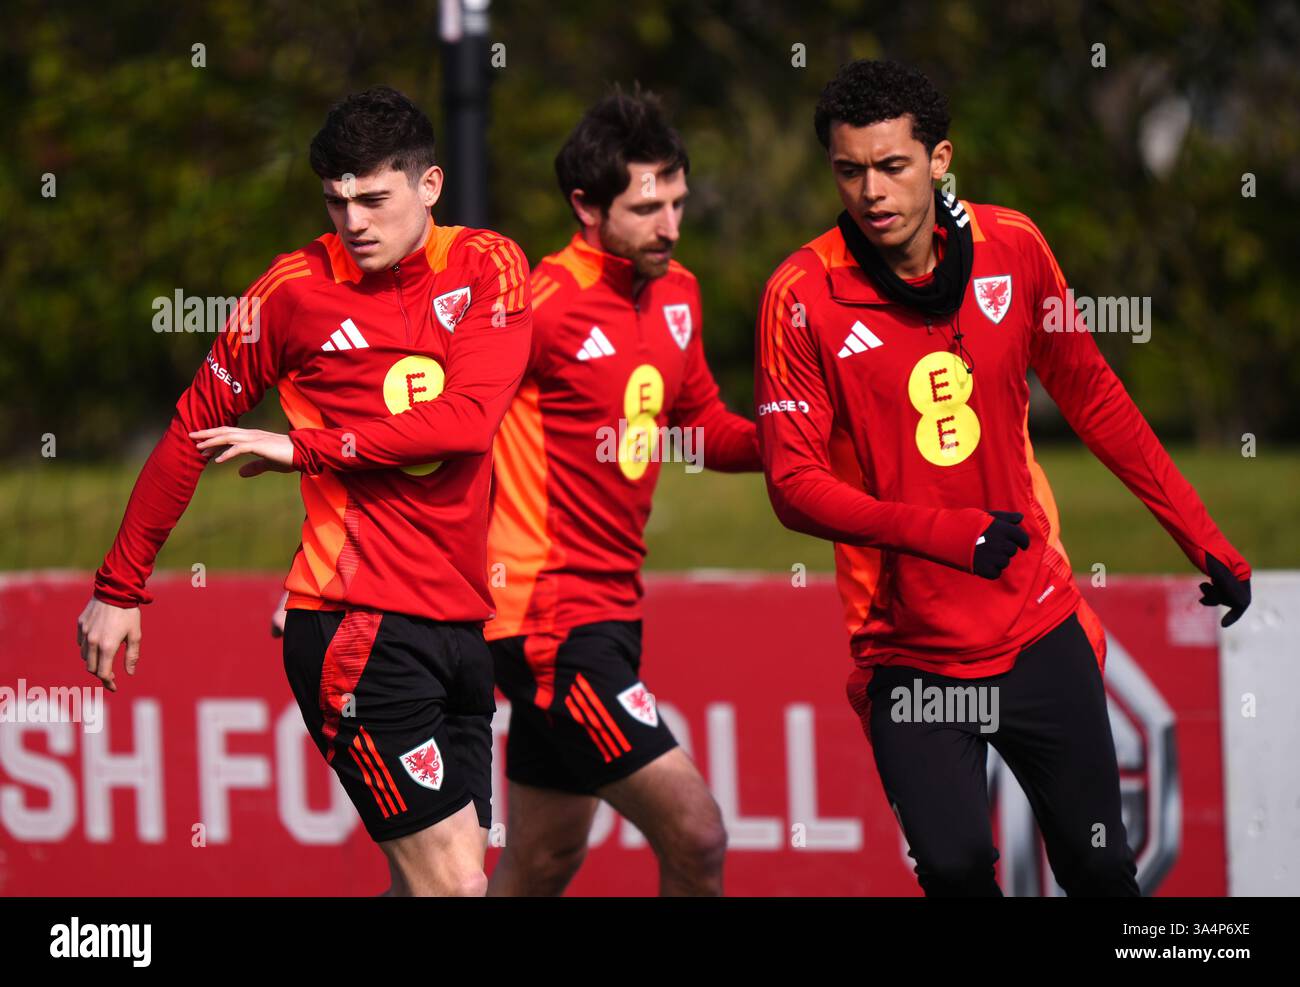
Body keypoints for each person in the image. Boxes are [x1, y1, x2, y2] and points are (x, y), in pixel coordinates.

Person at [754, 59, 1252, 896]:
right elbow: (791, 486)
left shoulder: (1013, 247)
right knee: (954, 869)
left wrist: (1202, 537)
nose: (871, 191)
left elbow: (1097, 400)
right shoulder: (800, 295)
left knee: (1099, 867)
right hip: (906, 652)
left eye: (893, 165)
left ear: (940, 158)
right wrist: (946, 533)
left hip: (1035, 625)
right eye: (850, 170)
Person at [76, 86, 532, 897]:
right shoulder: (290, 291)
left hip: (463, 623)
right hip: (357, 625)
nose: (353, 220)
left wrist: (304, 447)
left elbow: (465, 422)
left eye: (373, 198)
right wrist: (119, 586)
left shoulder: (489, 264)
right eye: (336, 200)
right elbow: (191, 433)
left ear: (429, 188)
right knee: (457, 889)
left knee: (443, 884)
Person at [485, 88, 762, 896]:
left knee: (540, 861)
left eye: (677, 201)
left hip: (611, 613)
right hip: (547, 620)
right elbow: (443, 433)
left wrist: (801, 446)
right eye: (646, 208)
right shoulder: (537, 305)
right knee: (698, 832)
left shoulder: (679, 293)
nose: (670, 226)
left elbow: (700, 424)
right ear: (585, 206)